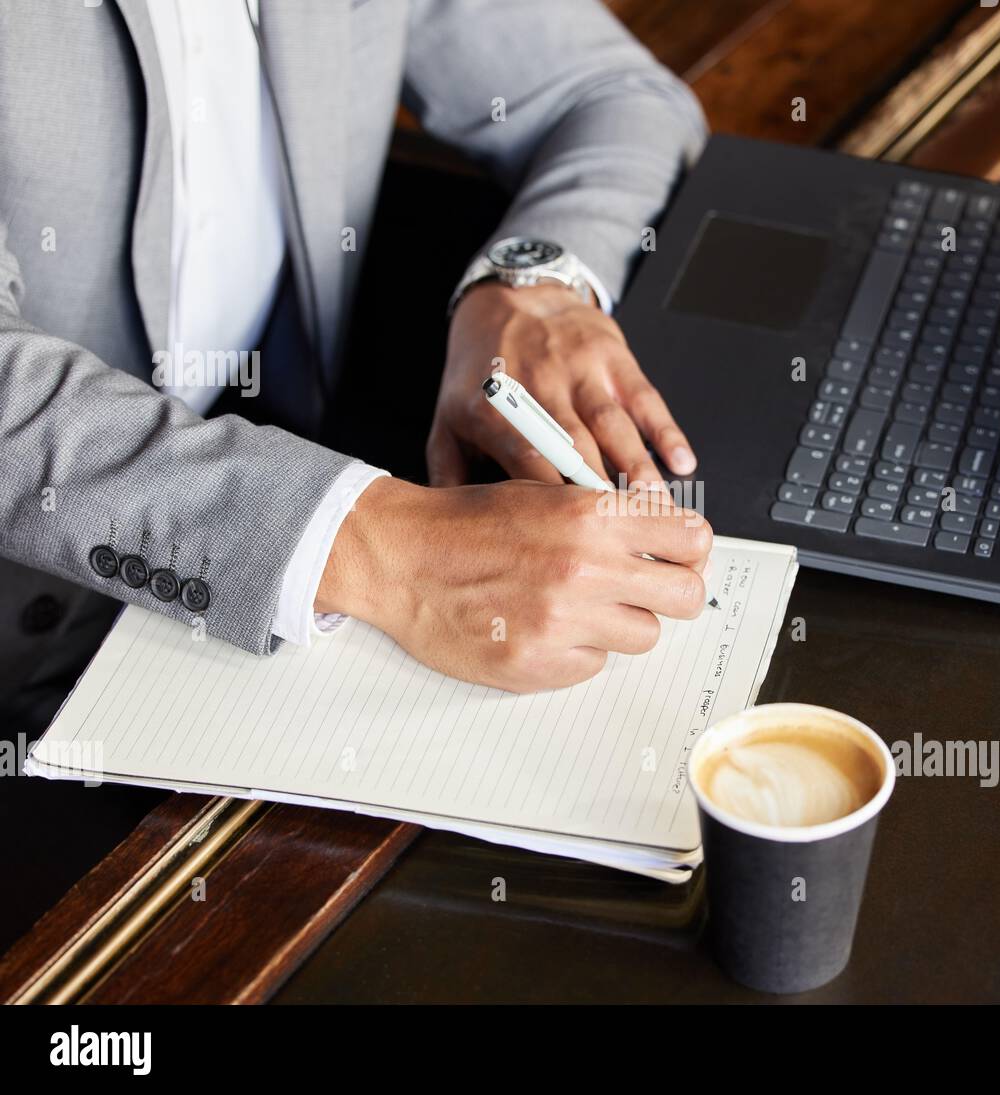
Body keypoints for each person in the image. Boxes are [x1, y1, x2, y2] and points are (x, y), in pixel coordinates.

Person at [0, 0, 713, 721]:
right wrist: (371, 546)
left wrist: (529, 288)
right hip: (29, 636)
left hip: (275, 494)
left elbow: (610, 92)